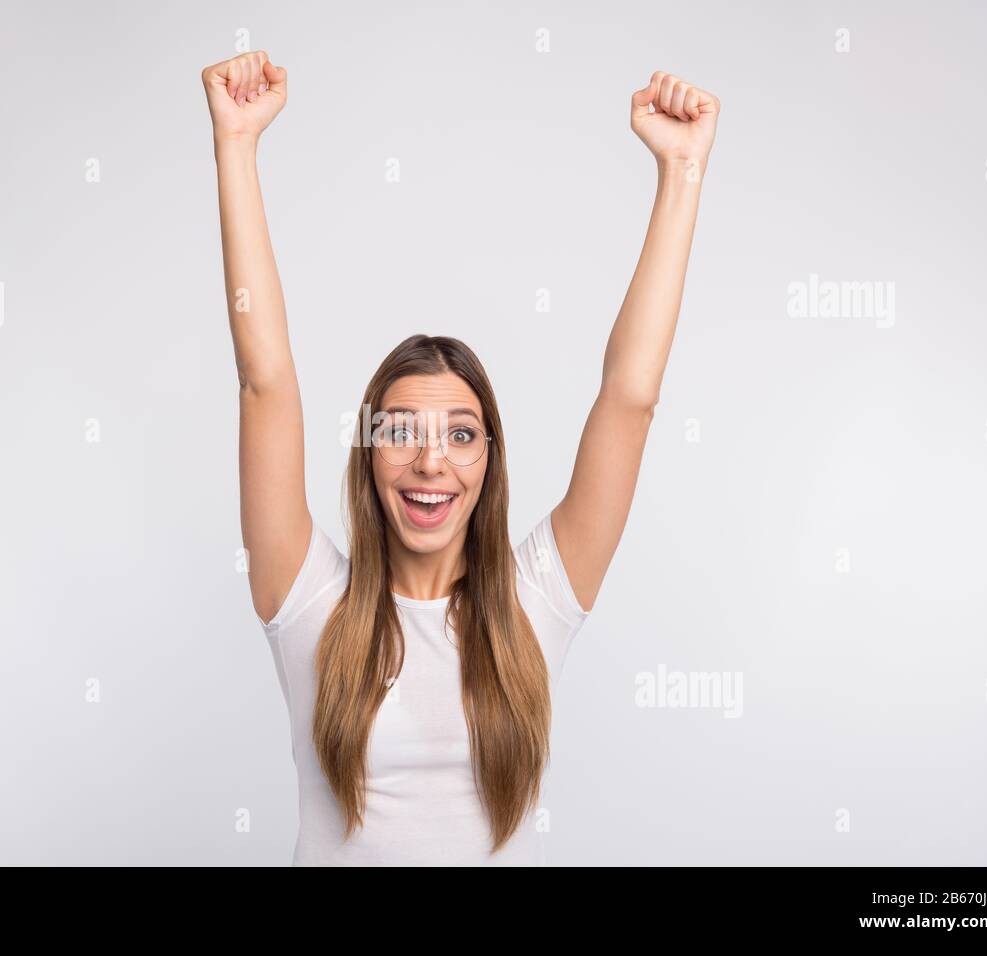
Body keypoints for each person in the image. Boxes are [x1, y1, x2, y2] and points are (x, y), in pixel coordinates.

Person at [202, 51, 720, 865]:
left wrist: (683, 170)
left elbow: (631, 399)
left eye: (460, 435)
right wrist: (235, 146)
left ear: (489, 462)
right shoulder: (308, 606)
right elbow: (264, 381)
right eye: (401, 432)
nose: (431, 462)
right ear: (369, 455)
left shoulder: (533, 608)